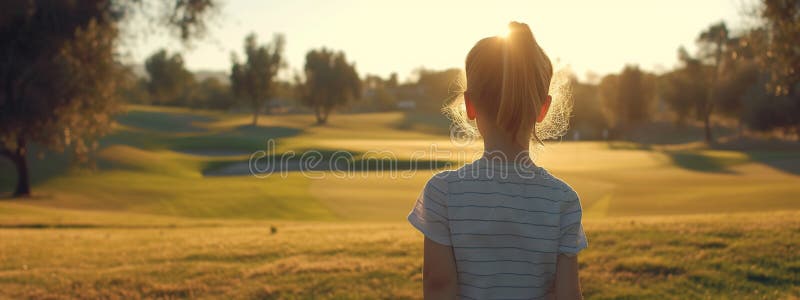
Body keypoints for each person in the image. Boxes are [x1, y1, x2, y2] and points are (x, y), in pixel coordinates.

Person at [407, 21, 587, 299]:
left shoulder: (442, 192)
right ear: (543, 109)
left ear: (469, 105)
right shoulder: (563, 200)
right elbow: (567, 295)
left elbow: (438, 286)